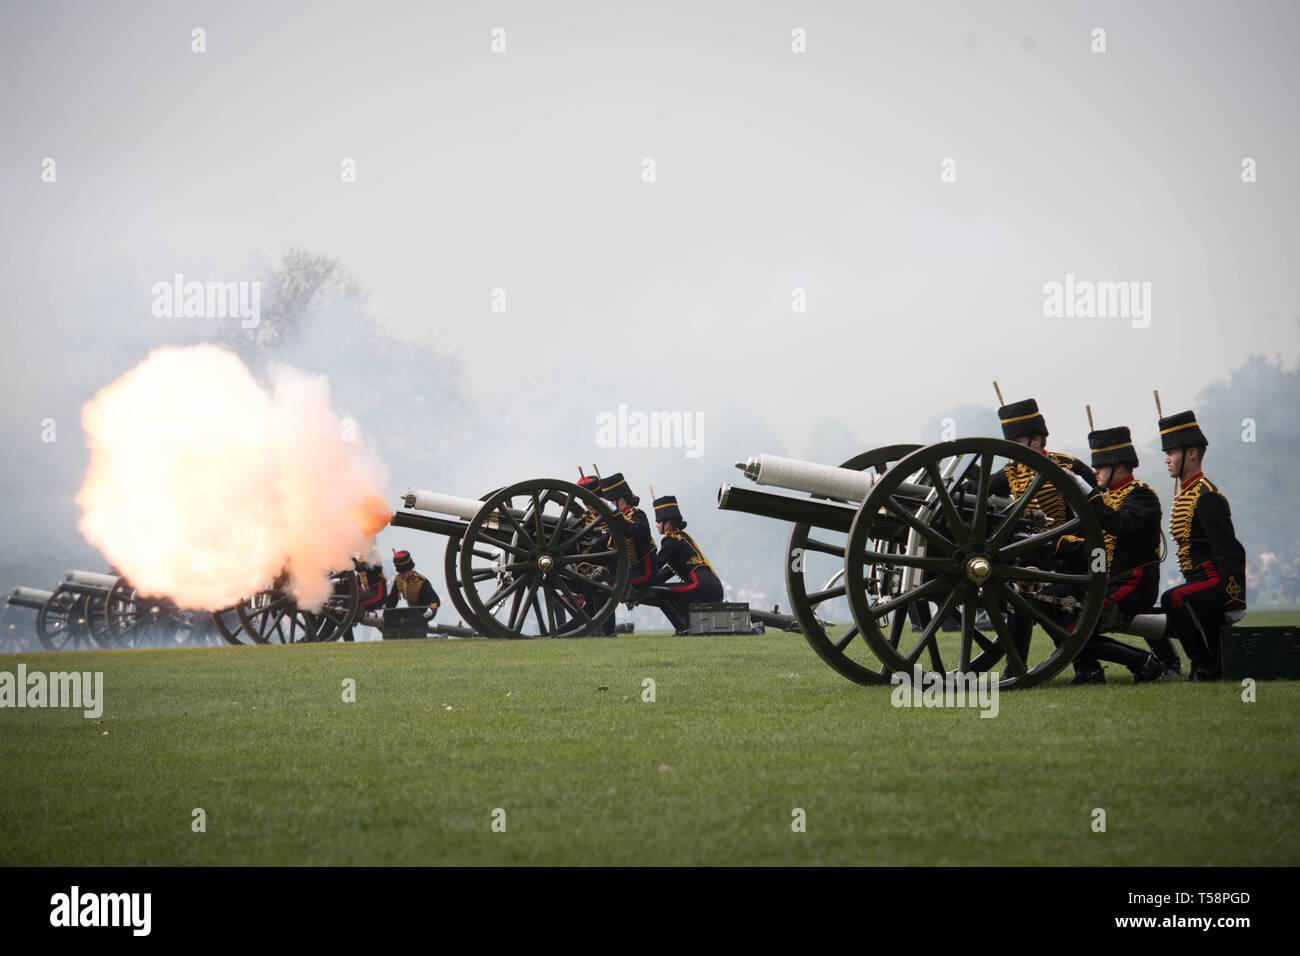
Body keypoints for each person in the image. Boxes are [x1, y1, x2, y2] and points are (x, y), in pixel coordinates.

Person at [1048, 426, 1168, 683]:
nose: (1094, 472)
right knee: (1046, 602)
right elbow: (1087, 540)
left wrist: (1089, 494)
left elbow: (1120, 524)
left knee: (1078, 625)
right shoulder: (1105, 498)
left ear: (1120, 467)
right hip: (1104, 580)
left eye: (1100, 466)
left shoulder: (1142, 495)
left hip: (1132, 582)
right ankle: (1089, 670)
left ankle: (1142, 661)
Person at [987, 398, 1098, 662]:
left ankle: (1086, 667)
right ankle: (1016, 665)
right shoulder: (1011, 473)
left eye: (1015, 443)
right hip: (1030, 555)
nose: (1011, 450)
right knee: (1017, 597)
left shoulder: (1068, 466)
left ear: (1035, 441)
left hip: (1069, 556)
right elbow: (983, 489)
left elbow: (1097, 508)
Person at [1157, 409, 1247, 681]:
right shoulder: (1187, 493)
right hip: (1197, 579)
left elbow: (1228, 549)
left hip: (1212, 580)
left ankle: (1201, 667)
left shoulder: (1207, 496)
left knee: (1174, 598)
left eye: (1172, 453)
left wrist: (1234, 598)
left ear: (1191, 453)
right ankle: (1210, 667)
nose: (1167, 460)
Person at [649, 495, 724, 634]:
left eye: (659, 521)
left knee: (659, 593)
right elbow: (668, 571)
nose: (657, 525)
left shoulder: (670, 540)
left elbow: (655, 565)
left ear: (668, 524)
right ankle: (687, 626)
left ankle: (682, 628)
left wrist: (642, 578)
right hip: (715, 588)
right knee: (674, 591)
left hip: (701, 587)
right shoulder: (683, 537)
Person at [598, 473, 659, 593]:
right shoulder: (618, 521)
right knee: (595, 580)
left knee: (605, 584)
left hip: (645, 574)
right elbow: (601, 542)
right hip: (629, 571)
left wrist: (616, 514)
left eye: (610, 502)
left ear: (620, 500)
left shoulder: (638, 514)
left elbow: (634, 530)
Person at [341, 549, 388, 642]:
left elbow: (362, 567)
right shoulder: (362, 555)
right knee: (344, 608)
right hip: (367, 593)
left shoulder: (373, 553)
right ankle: (349, 641)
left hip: (378, 593)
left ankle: (349, 641)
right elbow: (360, 577)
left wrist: (349, 558)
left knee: (349, 606)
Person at [384, 550, 441, 619]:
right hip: (411, 613)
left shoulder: (422, 581)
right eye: (400, 572)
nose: (401, 575)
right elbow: (392, 600)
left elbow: (435, 600)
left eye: (403, 572)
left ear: (410, 570)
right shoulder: (398, 580)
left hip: (424, 614)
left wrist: (431, 609)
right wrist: (386, 612)